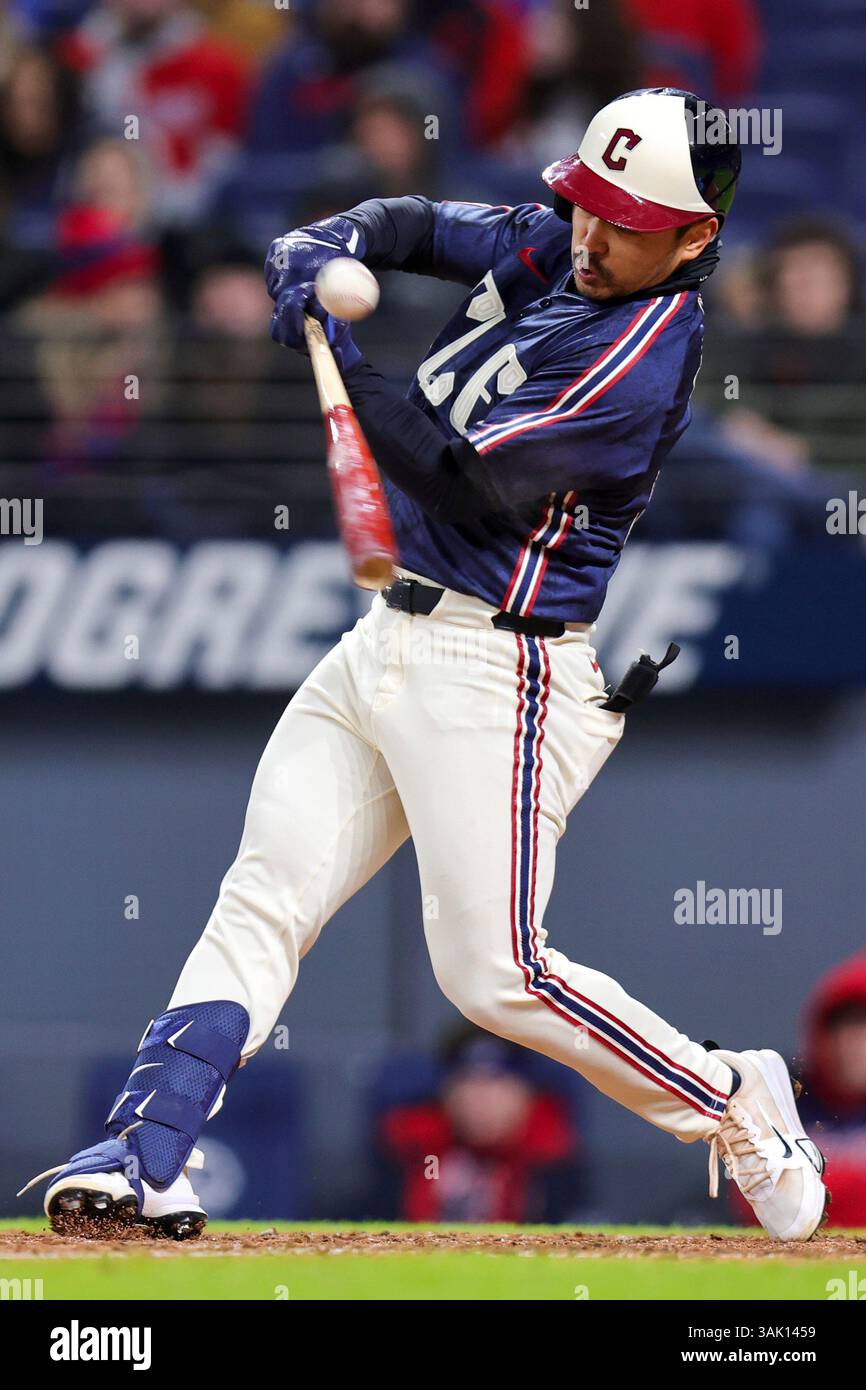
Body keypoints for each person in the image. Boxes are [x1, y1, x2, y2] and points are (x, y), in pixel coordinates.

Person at [21, 88, 828, 1242]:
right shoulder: (567, 240)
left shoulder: (646, 353)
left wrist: (340, 363)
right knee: (265, 892)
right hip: (388, 636)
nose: (590, 240)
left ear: (695, 236)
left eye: (624, 223)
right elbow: (413, 228)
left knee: (493, 975)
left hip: (501, 673)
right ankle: (148, 1151)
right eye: (587, 207)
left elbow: (465, 481)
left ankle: (732, 1094)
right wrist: (326, 242)